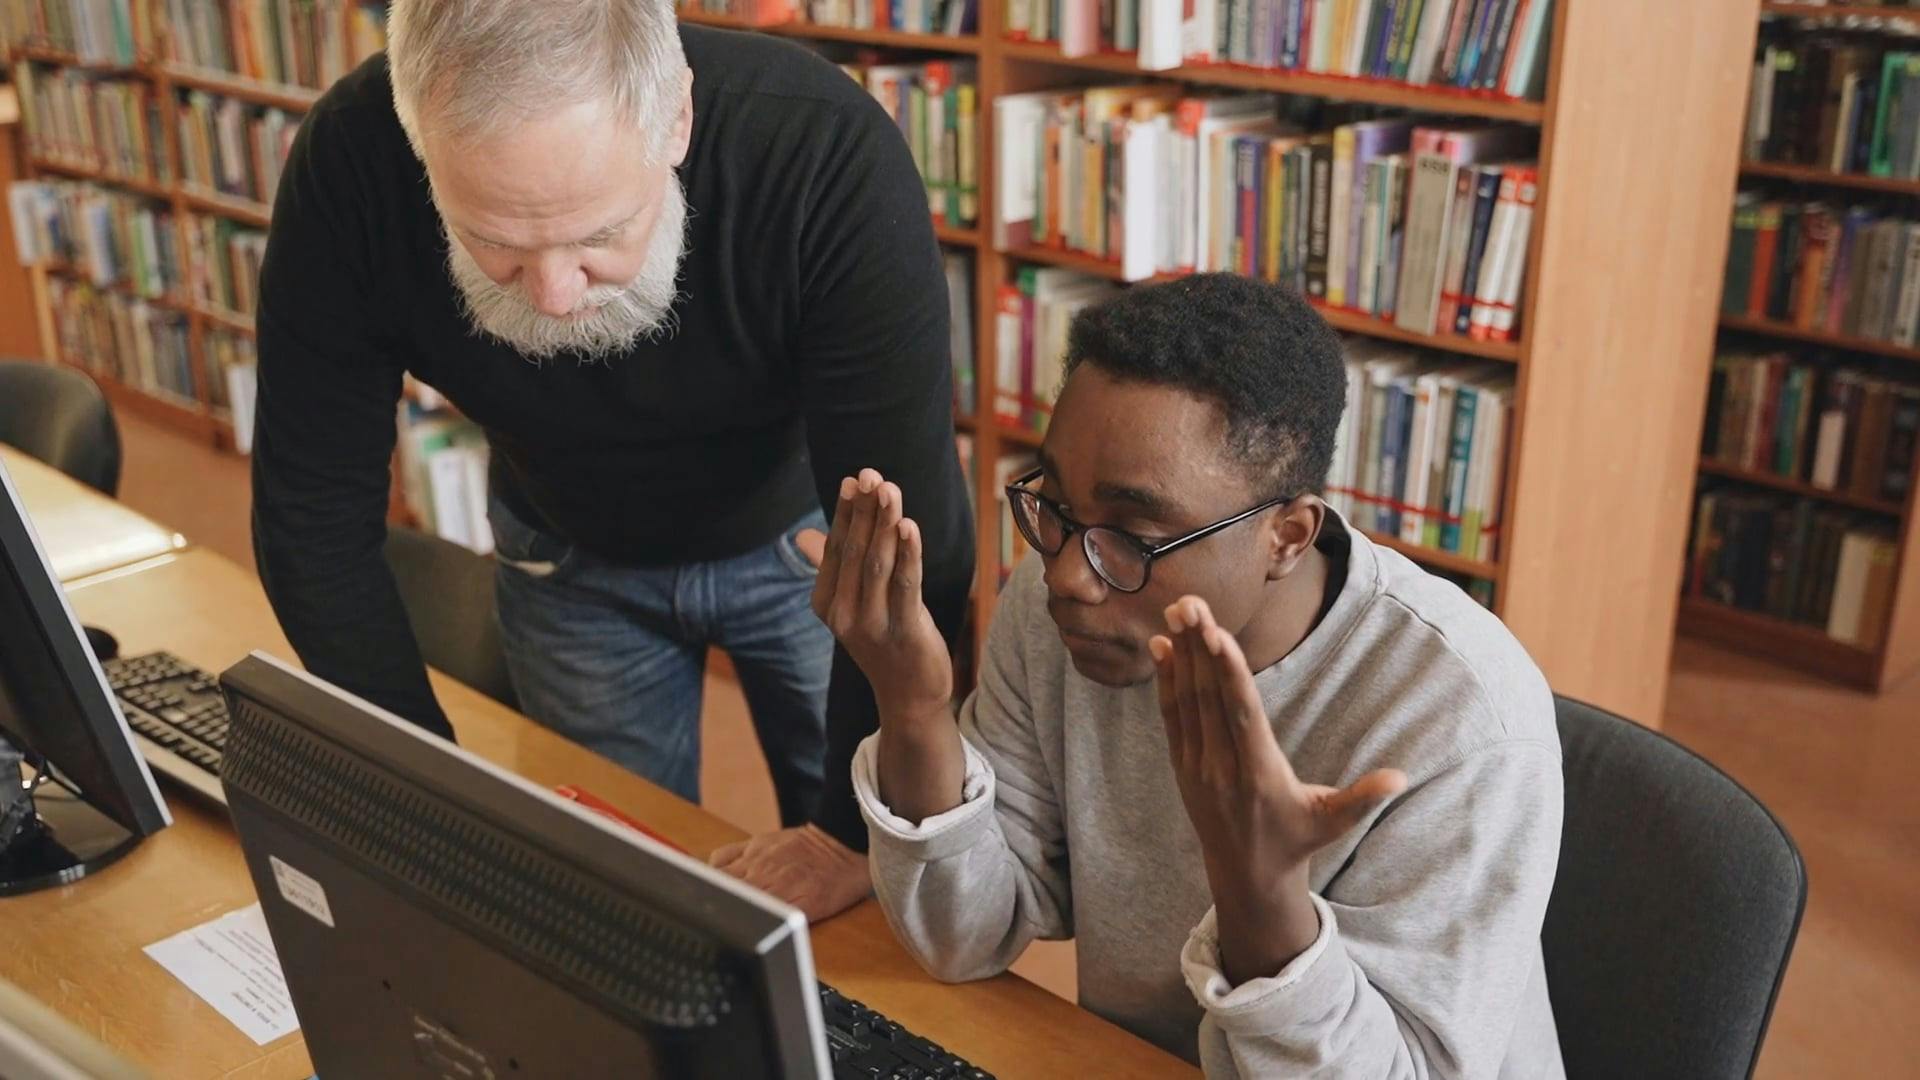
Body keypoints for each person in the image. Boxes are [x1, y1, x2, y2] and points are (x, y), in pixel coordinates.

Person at [249, 0, 974, 922]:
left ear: (676, 118)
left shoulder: (820, 149)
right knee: (614, 904)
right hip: (565, 553)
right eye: (496, 245)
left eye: (597, 236)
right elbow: (310, 515)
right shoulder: (351, 164)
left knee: (870, 892)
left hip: (812, 554)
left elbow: (922, 544)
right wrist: (425, 797)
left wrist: (844, 827)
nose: (554, 298)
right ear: (417, 145)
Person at [812, 274, 1566, 1075]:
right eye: (1057, 506)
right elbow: (961, 936)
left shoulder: (1462, 719)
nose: (1069, 574)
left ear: (1287, 537)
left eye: (1136, 534)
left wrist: (1262, 896)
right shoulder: (1057, 597)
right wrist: (915, 705)